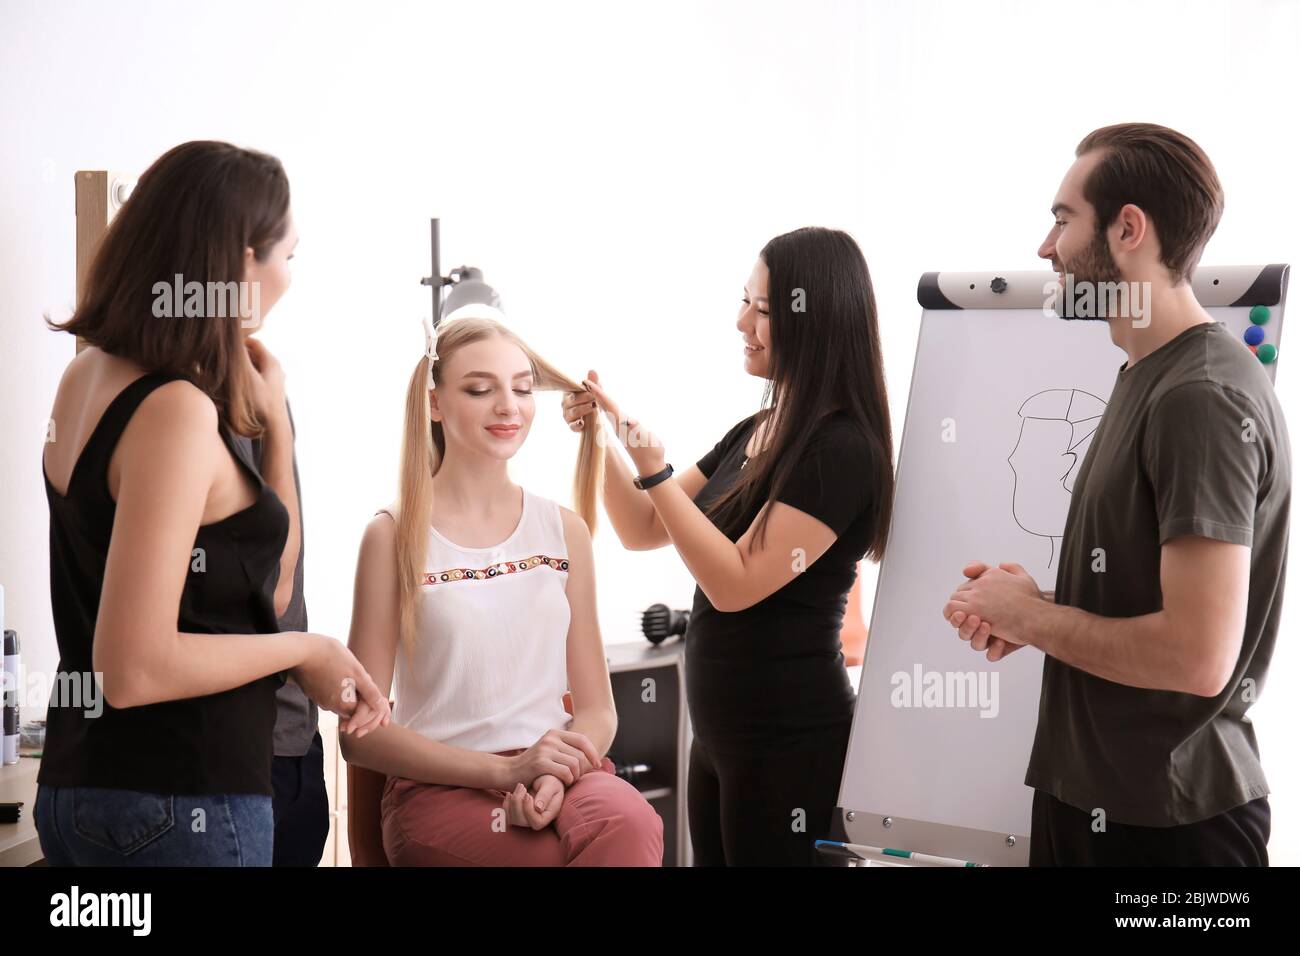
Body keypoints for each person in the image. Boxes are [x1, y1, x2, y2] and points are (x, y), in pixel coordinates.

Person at [35, 140, 389, 867]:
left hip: (82, 790)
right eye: (289, 255)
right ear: (240, 263)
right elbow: (130, 668)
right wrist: (308, 649)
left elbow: (272, 583)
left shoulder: (87, 377)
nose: (291, 277)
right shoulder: (174, 412)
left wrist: (277, 427)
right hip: (178, 800)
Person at [944, 123, 1289, 866]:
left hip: (1167, 832)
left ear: (1128, 228)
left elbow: (1198, 656)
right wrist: (1031, 604)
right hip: (1095, 808)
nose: (1045, 248)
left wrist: (1034, 618)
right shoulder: (1146, 373)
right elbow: (1145, 602)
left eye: (1063, 219)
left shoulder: (1198, 395)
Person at [564, 226, 895, 865]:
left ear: (815, 319)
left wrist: (655, 470)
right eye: (746, 300)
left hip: (791, 748)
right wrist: (600, 438)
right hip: (719, 741)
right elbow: (642, 526)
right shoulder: (758, 428)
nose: (742, 320)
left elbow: (737, 583)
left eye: (765, 309)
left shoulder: (841, 449)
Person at [341, 310, 663, 866]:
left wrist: (555, 777)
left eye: (521, 388)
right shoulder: (391, 537)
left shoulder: (564, 531)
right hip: (437, 787)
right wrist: (507, 770)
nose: (508, 407)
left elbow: (597, 712)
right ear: (434, 403)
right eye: (480, 389)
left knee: (632, 823)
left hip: (560, 770)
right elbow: (360, 735)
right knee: (534, 855)